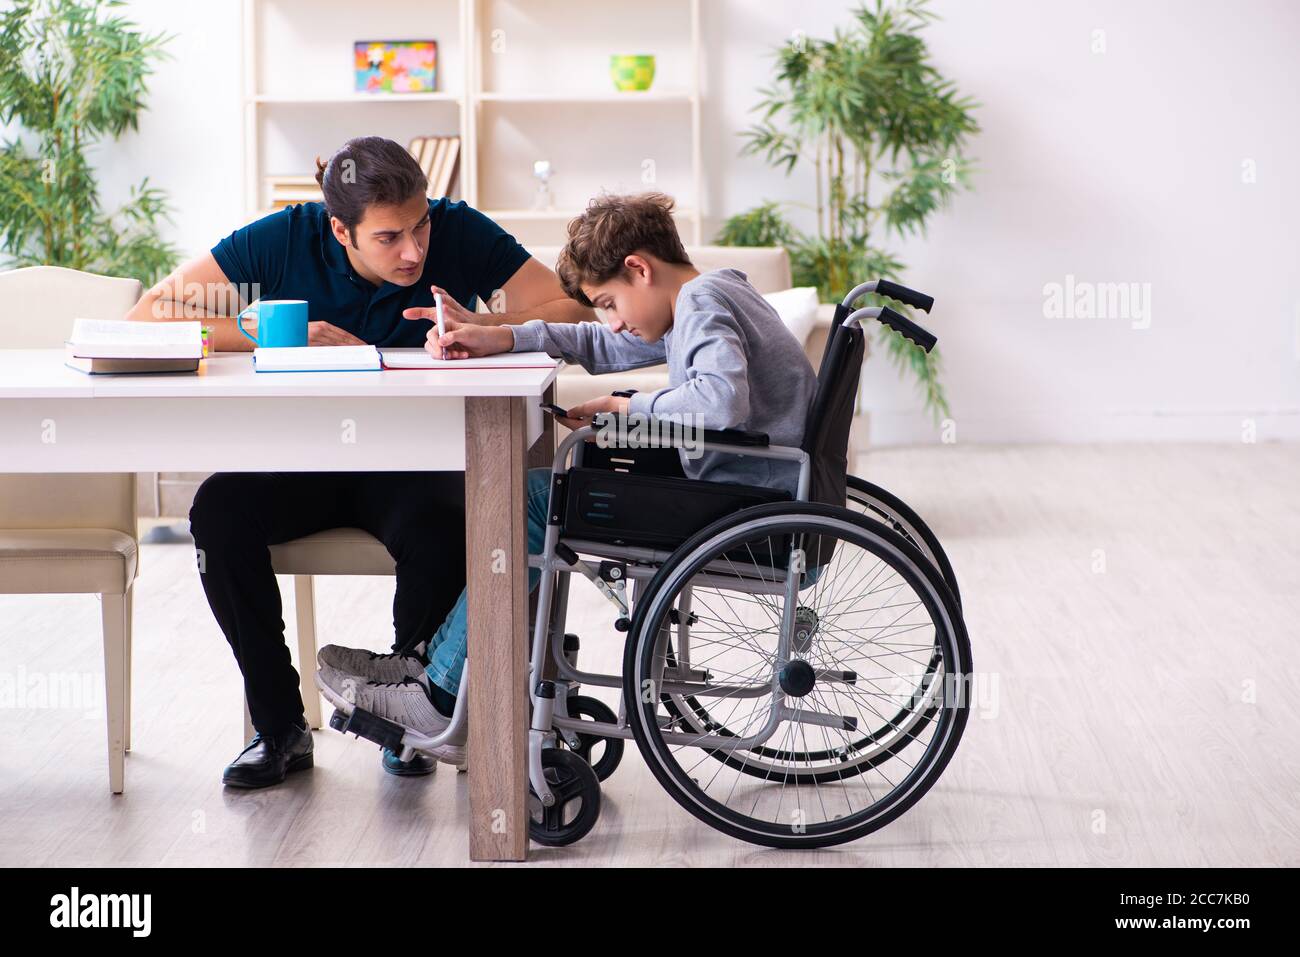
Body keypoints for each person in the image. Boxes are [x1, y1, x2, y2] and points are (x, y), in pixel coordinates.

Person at [126, 136, 591, 788]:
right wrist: (261, 331)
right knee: (218, 514)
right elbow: (151, 315)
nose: (414, 250)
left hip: (413, 465)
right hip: (302, 460)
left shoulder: (457, 230)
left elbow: (570, 306)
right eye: (390, 237)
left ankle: (413, 717)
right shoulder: (283, 239)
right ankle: (280, 725)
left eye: (420, 226)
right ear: (339, 228)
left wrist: (484, 325)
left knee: (444, 523)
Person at [314, 191, 819, 755]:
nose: (612, 322)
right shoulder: (714, 291)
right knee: (547, 486)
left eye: (608, 302)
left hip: (742, 504)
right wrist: (501, 335)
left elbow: (720, 402)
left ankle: (438, 693)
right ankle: (434, 667)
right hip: (757, 491)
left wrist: (626, 409)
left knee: (529, 498)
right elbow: (599, 345)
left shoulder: (701, 303)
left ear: (639, 269)